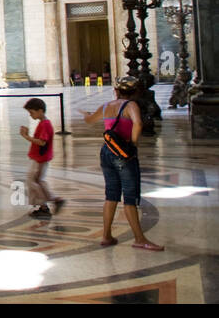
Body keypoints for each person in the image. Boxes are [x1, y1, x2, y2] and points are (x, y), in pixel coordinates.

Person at [82, 78, 164, 251]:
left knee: (111, 194)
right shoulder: (130, 105)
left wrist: (87, 114)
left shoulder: (106, 106)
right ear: (135, 92)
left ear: (116, 90)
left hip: (106, 151)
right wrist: (133, 143)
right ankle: (139, 239)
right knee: (130, 196)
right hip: (123, 154)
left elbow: (89, 120)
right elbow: (138, 123)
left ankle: (106, 236)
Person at [19, 97, 63, 217]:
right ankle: (48, 204)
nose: (30, 115)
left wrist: (26, 136)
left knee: (31, 180)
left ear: (40, 111)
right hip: (40, 157)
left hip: (40, 158)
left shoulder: (45, 124)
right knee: (38, 181)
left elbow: (42, 142)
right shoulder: (43, 123)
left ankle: (47, 203)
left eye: (31, 112)